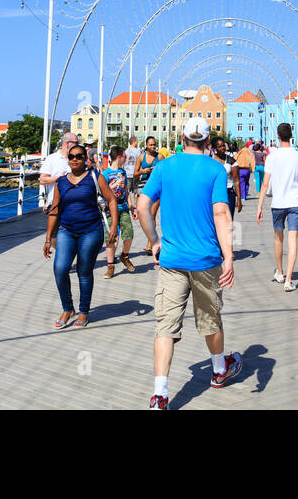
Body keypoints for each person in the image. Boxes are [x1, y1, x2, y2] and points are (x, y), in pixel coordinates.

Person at [135, 116, 241, 409]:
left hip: (171, 259)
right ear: (208, 142)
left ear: (182, 140)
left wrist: (154, 240)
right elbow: (221, 214)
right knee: (210, 319)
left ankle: (160, 394)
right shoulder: (215, 169)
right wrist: (229, 255)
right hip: (206, 259)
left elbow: (142, 206)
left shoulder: (164, 167)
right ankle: (219, 371)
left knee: (165, 326)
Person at [44, 144, 119, 329]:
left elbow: (111, 199)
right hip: (66, 230)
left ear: (85, 158)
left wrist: (114, 226)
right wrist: (47, 238)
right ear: (68, 160)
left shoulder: (95, 177)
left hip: (91, 231)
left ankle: (84, 311)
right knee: (60, 268)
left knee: (84, 271)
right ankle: (67, 308)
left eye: (79, 156)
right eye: (71, 157)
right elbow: (54, 211)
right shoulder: (61, 182)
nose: (75, 159)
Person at [257, 122, 298, 291]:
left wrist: (259, 207)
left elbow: (265, 184)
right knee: (292, 240)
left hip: (277, 203)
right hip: (295, 202)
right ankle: (289, 280)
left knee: (278, 238)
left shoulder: (272, 157)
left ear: (278, 137)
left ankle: (279, 272)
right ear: (291, 136)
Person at [101, 146, 134, 277]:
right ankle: (110, 266)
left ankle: (124, 256)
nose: (126, 159)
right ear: (119, 157)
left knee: (129, 233)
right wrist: (113, 186)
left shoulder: (123, 172)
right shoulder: (105, 174)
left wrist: (131, 205)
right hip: (110, 209)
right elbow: (102, 192)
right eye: (124, 157)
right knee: (111, 237)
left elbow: (125, 190)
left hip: (123, 207)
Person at [39, 132, 80, 212]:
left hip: (76, 205)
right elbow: (42, 180)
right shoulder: (51, 159)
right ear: (67, 143)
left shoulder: (78, 160)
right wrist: (60, 178)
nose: (78, 145)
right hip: (56, 205)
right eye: (76, 143)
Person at [212, 136, 241, 216]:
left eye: (223, 145)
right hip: (213, 193)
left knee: (229, 221)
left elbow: (236, 180)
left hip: (229, 193)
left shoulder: (231, 160)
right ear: (215, 148)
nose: (222, 148)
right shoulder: (211, 160)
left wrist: (239, 199)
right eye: (219, 146)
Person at [132, 136, 161, 211]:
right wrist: (143, 171)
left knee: (152, 214)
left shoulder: (160, 157)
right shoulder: (141, 157)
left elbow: (167, 172)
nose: (153, 147)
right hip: (145, 187)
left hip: (157, 187)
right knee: (144, 212)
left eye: (154, 144)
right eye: (151, 145)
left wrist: (157, 170)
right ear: (146, 145)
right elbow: (135, 174)